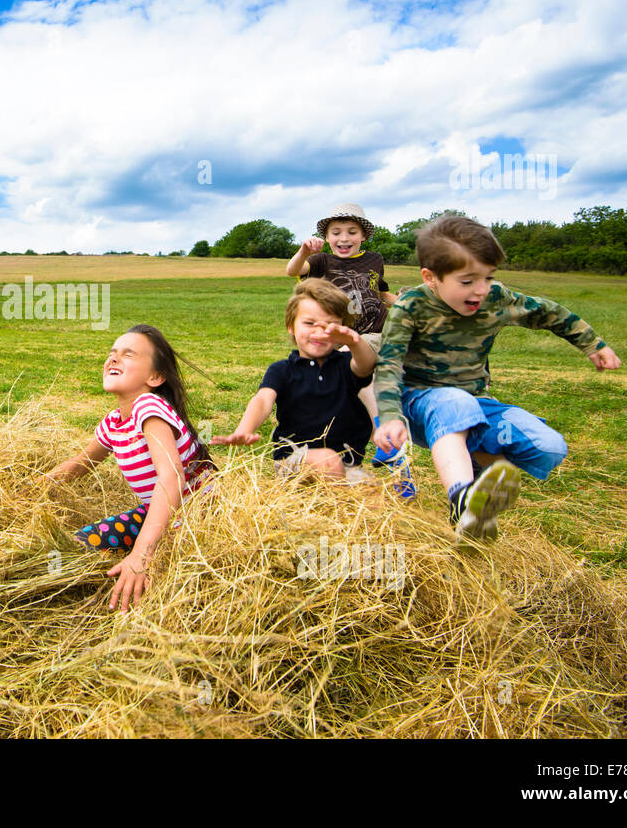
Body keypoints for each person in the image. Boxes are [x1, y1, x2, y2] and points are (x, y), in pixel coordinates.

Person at [372, 215, 622, 541]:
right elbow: (388, 364)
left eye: (488, 277)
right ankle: (461, 499)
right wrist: (390, 416)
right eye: (467, 281)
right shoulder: (411, 307)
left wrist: (593, 344)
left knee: (549, 447)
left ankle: (478, 499)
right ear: (431, 277)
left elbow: (548, 312)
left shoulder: (496, 298)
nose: (481, 290)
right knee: (455, 403)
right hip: (419, 404)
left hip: (476, 403)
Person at [41, 324, 214, 612]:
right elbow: (77, 466)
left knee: (163, 570)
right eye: (111, 354)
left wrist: (142, 555)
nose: (113, 359)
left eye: (128, 354)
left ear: (155, 377)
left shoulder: (149, 407)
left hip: (201, 515)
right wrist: (28, 489)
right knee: (83, 541)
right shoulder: (114, 423)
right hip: (164, 514)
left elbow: (171, 477)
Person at [214, 278, 376, 483]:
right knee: (327, 460)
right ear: (291, 327)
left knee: (373, 496)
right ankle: (328, 508)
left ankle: (338, 501)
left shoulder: (347, 365)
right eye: (309, 323)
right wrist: (244, 430)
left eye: (331, 326)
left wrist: (354, 342)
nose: (319, 332)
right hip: (294, 461)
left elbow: (367, 364)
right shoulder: (282, 370)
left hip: (348, 465)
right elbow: (263, 401)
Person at [285, 203, 402, 470]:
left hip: (372, 332)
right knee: (345, 389)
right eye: (336, 232)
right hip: (336, 336)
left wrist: (403, 301)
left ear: (363, 236)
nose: (344, 238)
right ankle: (384, 451)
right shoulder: (321, 261)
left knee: (354, 367)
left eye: (352, 232)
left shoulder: (375, 260)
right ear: (327, 238)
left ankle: (380, 427)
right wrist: (304, 250)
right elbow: (292, 271)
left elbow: (381, 292)